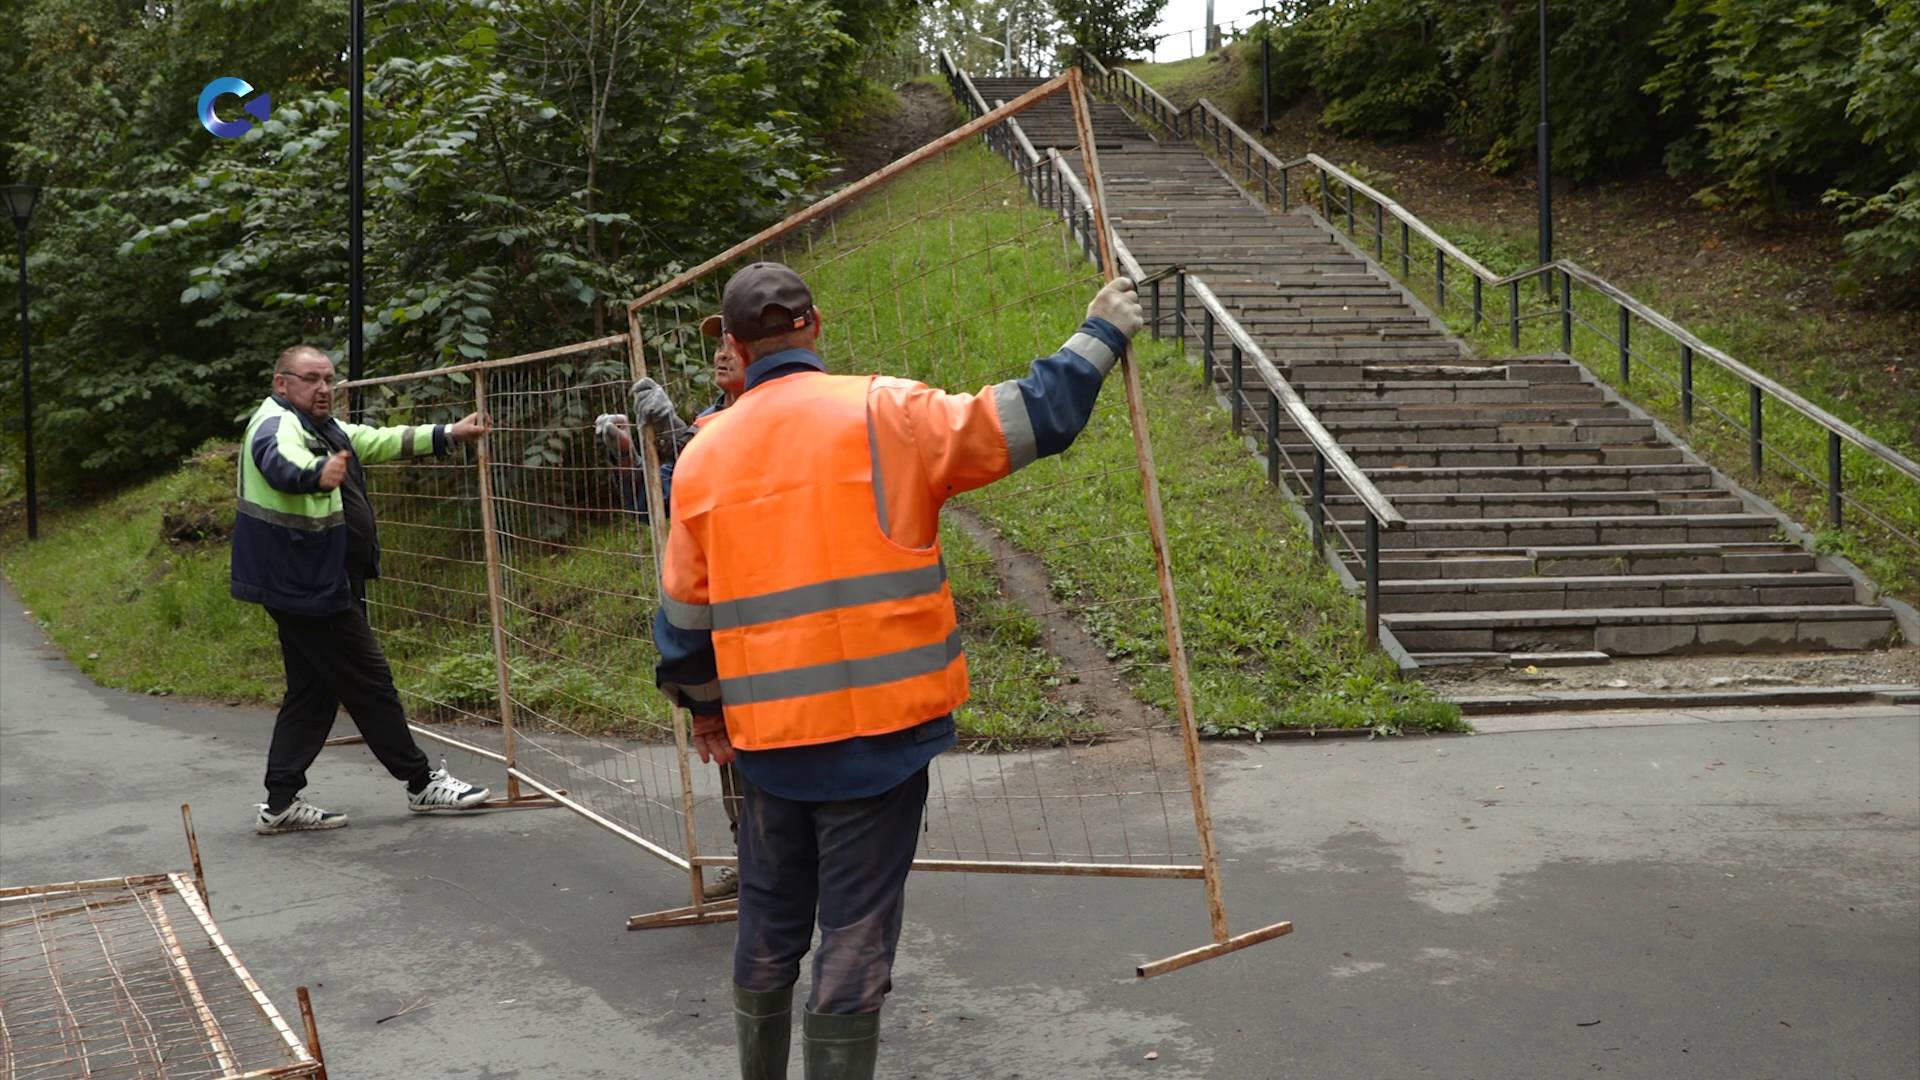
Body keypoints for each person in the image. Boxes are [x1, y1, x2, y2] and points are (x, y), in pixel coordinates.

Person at [652, 262, 1143, 1080]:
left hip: (769, 749)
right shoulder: (891, 411)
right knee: (854, 936)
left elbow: (684, 624)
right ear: (815, 326)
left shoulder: (703, 456)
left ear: (734, 347)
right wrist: (1101, 332)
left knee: (769, 928)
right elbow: (1031, 418)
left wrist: (707, 714)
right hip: (883, 743)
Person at [232, 344, 495, 834]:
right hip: (306, 584)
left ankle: (281, 802)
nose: (323, 388)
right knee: (370, 683)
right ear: (281, 383)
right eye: (311, 379)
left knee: (312, 693)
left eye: (329, 379)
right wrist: (315, 475)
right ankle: (420, 783)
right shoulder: (276, 425)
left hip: (307, 580)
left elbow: (372, 440)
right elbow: (278, 462)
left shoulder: (321, 426)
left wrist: (448, 433)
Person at [593, 315, 747, 900]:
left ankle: (794, 874)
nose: (722, 353)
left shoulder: (779, 408)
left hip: (768, 613)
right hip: (722, 615)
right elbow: (666, 501)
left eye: (735, 342)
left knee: (780, 750)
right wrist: (636, 454)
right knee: (737, 749)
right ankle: (758, 863)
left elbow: (740, 464)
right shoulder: (716, 411)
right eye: (719, 343)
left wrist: (677, 432)